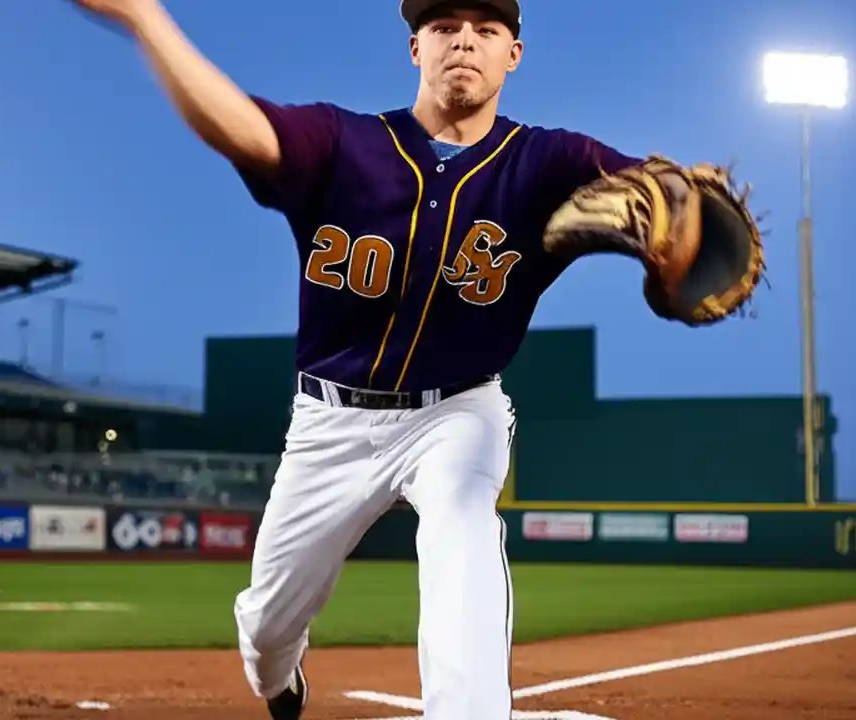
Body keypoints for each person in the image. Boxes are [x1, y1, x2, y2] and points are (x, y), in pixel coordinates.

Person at [72, 0, 646, 717]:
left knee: (462, 528)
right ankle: (280, 674)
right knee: (267, 622)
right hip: (328, 422)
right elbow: (244, 128)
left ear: (513, 55)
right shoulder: (344, 144)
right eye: (443, 27)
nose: (463, 40)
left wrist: (676, 222)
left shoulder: (549, 160)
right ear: (415, 49)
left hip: (458, 413)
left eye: (486, 29)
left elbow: (664, 197)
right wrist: (146, 18)